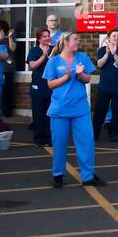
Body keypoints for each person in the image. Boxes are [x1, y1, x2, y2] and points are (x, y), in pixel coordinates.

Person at [45, 32, 106, 188]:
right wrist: (66, 77)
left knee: (87, 142)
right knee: (59, 143)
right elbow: (50, 84)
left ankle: (88, 176)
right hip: (60, 109)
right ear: (66, 42)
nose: (78, 42)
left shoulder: (82, 57)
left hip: (80, 108)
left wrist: (80, 74)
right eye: (75, 40)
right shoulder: (53, 62)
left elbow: (88, 79)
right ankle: (58, 174)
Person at [93, 28, 118, 141]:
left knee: (116, 111)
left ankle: (113, 133)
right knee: (100, 110)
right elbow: (99, 64)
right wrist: (107, 53)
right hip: (105, 85)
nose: (116, 38)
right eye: (114, 36)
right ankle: (95, 133)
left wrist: (114, 54)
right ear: (108, 37)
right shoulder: (101, 50)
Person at [26, 29, 53, 147]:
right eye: (44, 36)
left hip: (50, 86)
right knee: (38, 114)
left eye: (48, 36)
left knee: (49, 115)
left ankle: (49, 138)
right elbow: (33, 66)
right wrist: (43, 55)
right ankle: (39, 139)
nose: (47, 38)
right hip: (38, 86)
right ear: (39, 39)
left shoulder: (53, 50)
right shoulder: (34, 50)